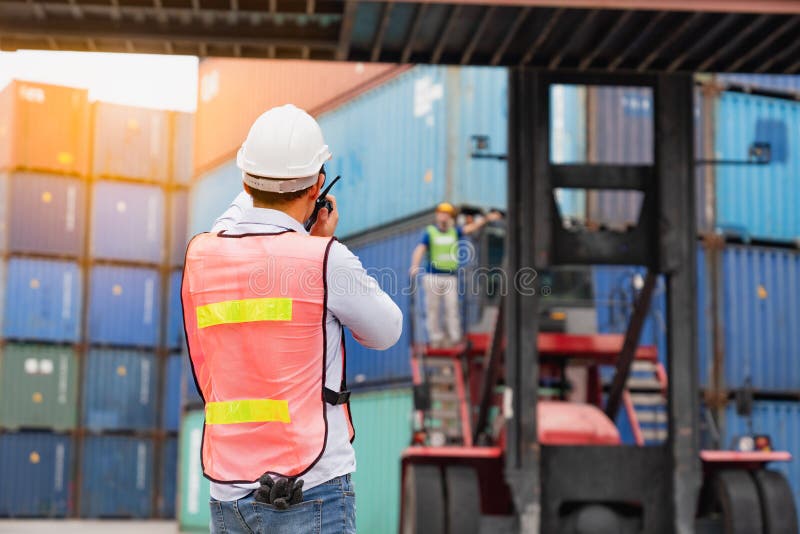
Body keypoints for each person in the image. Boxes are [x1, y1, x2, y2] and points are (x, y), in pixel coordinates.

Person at [182, 104, 403, 534]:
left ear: (244, 179)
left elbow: (234, 218)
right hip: (311, 490)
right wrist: (319, 243)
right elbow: (387, 330)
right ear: (318, 186)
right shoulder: (324, 259)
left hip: (228, 498)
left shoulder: (203, 255)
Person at [409, 202, 502, 348]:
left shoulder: (455, 231)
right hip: (432, 276)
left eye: (447, 214)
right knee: (433, 309)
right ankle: (436, 339)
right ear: (437, 215)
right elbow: (420, 249)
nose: (443, 216)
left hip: (450, 277)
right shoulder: (430, 232)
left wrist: (486, 219)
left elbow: (472, 227)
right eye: (441, 213)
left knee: (452, 308)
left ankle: (454, 338)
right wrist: (414, 266)